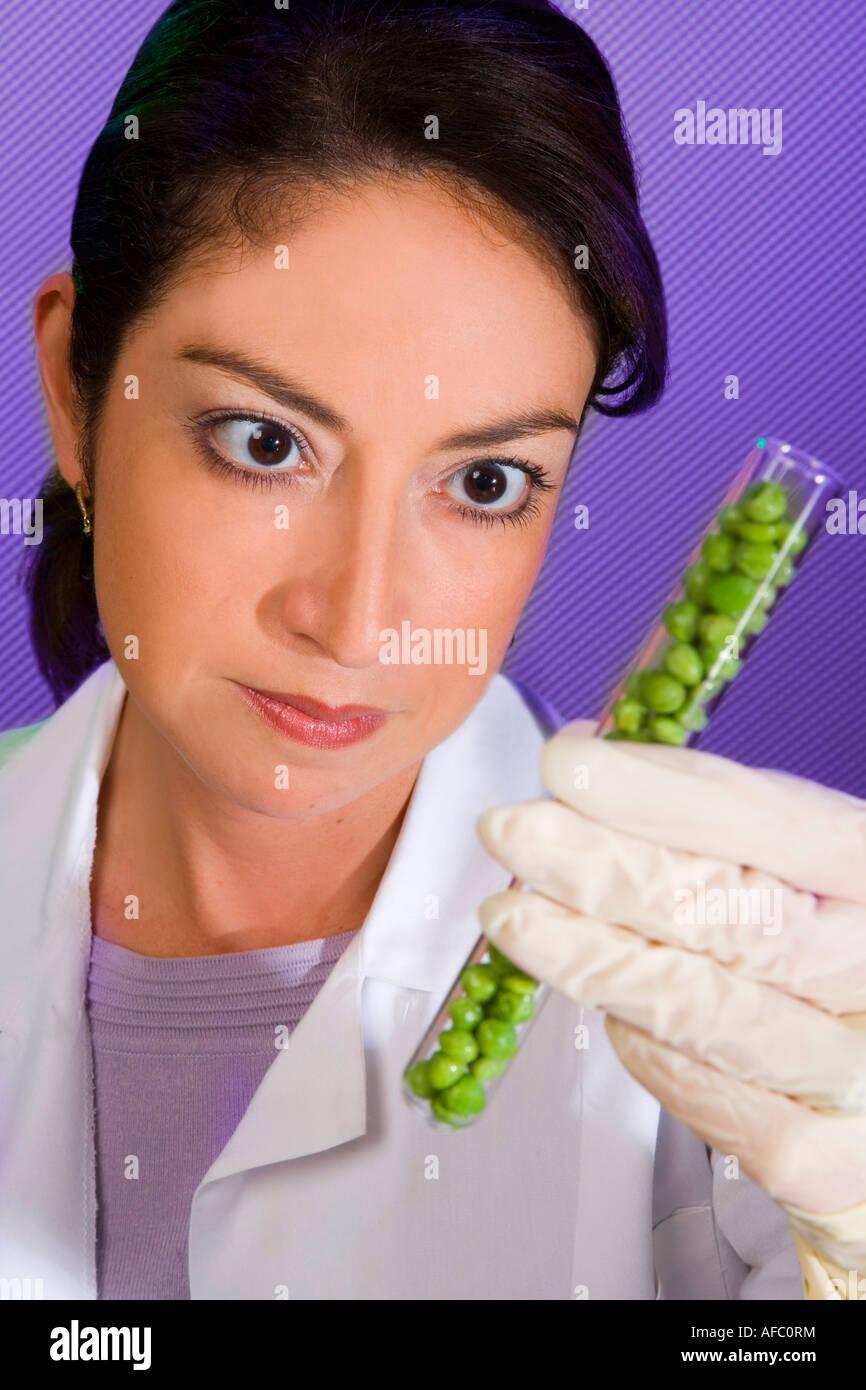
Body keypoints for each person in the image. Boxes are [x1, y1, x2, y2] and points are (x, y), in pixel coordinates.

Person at [0, 0, 863, 1302]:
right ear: (76, 384)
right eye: (262, 442)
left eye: (487, 479)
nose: (359, 621)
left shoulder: (740, 1048)